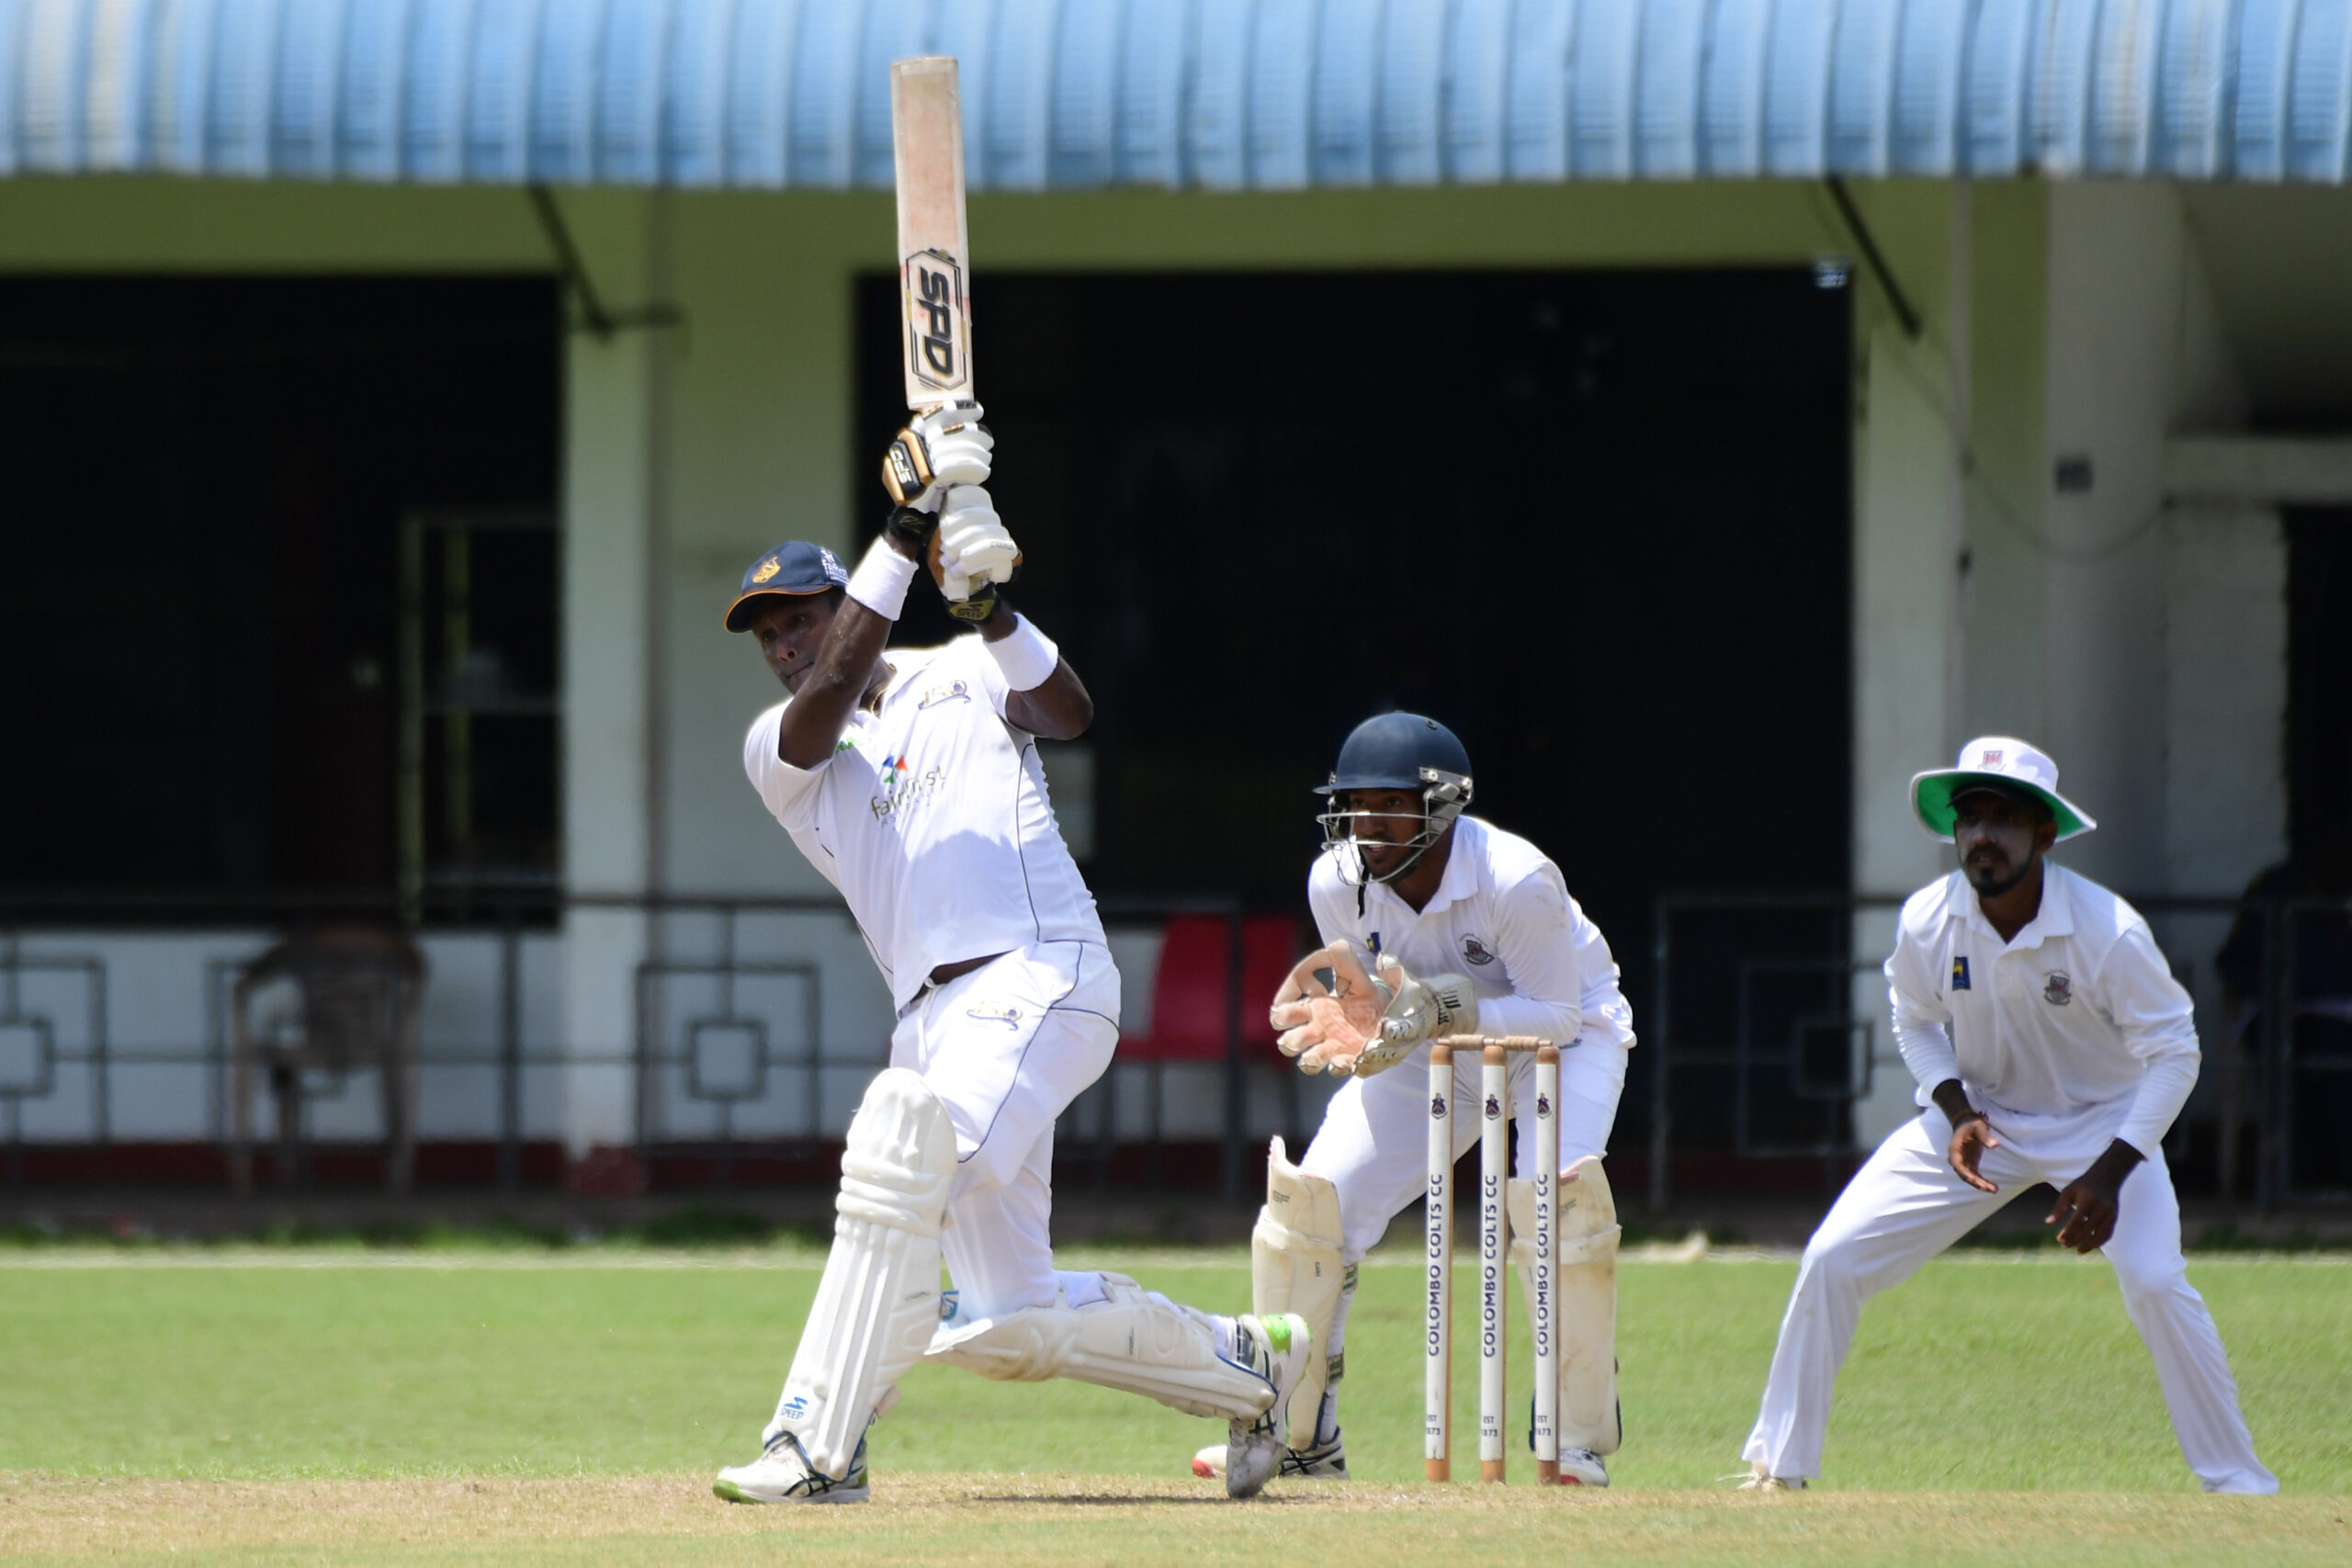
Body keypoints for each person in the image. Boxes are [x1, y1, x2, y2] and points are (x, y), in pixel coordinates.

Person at [710, 404, 1308, 1505]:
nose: (787, 646)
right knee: (1006, 1320)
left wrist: (989, 608)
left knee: (904, 1174)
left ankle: (814, 1446)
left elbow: (1068, 710)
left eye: (802, 618)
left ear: (848, 606)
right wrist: (905, 530)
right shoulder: (784, 748)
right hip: (932, 1016)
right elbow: (826, 701)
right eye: (771, 635)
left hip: (1036, 974)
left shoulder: (958, 670)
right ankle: (1252, 1366)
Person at [1736, 737, 2276, 1494]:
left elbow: (2177, 1051)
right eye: (1971, 817)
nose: (1984, 835)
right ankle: (1780, 1466)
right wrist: (1955, 1107)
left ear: (2046, 834)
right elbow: (1912, 1017)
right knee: (1833, 1256)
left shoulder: (2107, 929)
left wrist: (2112, 1170)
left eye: (2006, 818)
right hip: (1984, 1121)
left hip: (2106, 1125)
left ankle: (2240, 1484)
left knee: (2155, 1282)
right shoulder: (1928, 918)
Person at [1191, 711, 1635, 1486]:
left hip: (1563, 1039)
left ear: (1443, 807)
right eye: (1358, 804)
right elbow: (1381, 996)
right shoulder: (1335, 878)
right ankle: (1299, 1433)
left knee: (1553, 1208)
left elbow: (1558, 1013)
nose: (1370, 823)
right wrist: (1374, 1024)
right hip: (1428, 1037)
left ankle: (1573, 1436)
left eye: (1392, 804)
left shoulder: (1515, 878)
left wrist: (1441, 1007)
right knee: (1311, 1207)